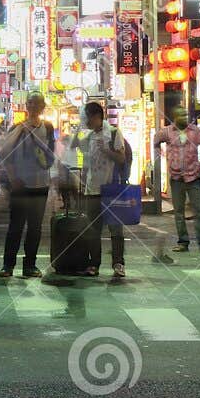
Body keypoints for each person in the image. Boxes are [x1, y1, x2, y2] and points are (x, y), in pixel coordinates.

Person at [0, 92, 55, 278]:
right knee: (16, 226)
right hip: (20, 185)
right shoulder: (17, 127)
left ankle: (30, 265)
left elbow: (51, 155)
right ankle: (8, 265)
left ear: (43, 106)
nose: (33, 106)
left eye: (37, 103)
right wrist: (13, 178)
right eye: (30, 102)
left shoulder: (48, 127)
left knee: (35, 227)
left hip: (40, 185)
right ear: (26, 105)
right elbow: (5, 155)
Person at [73, 101, 131, 278]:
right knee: (93, 229)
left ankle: (118, 263)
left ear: (96, 117)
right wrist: (81, 181)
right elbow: (83, 161)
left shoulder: (113, 133)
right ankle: (94, 264)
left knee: (115, 229)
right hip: (92, 190)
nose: (85, 121)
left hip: (111, 188)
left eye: (87, 118)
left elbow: (121, 158)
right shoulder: (88, 136)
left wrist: (107, 151)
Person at [155, 108, 200, 252]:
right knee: (178, 211)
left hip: (193, 176)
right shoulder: (167, 132)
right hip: (176, 177)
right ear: (174, 117)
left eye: (185, 115)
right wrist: (163, 156)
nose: (184, 117)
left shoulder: (194, 131)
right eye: (181, 115)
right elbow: (156, 141)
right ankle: (183, 242)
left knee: (198, 210)